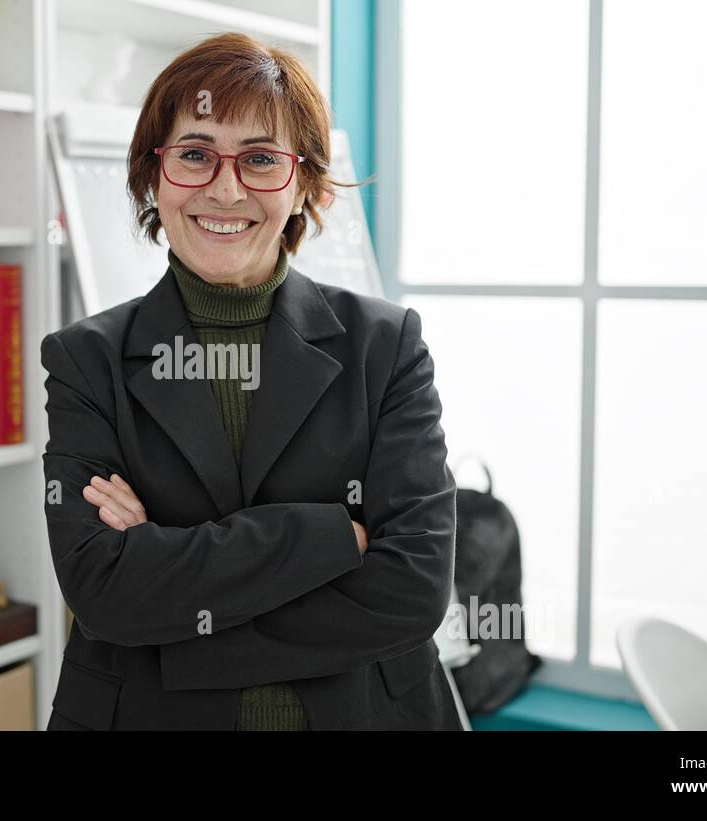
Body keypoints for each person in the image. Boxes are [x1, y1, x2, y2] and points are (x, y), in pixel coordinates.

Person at [41, 32, 461, 730]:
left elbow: (411, 592)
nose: (225, 187)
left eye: (261, 159)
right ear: (155, 176)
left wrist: (178, 610)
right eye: (195, 154)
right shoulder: (85, 360)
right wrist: (334, 537)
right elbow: (105, 591)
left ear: (305, 187)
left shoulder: (385, 346)